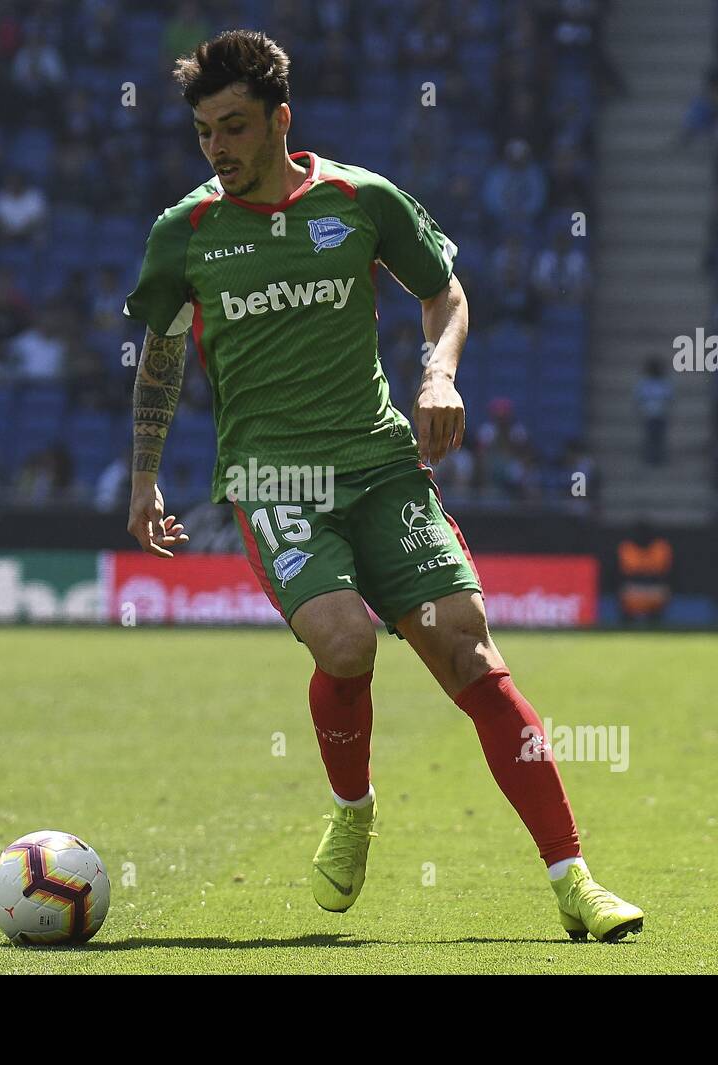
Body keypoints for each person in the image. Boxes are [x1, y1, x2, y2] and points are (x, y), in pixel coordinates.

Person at [120, 30, 642, 942]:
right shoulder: (186, 231)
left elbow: (446, 292)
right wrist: (143, 481)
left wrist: (439, 372)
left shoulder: (362, 201)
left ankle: (575, 879)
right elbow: (160, 354)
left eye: (235, 127)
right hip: (274, 475)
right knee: (346, 639)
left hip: (381, 464)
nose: (219, 149)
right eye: (206, 132)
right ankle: (353, 808)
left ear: (281, 119)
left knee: (468, 652)